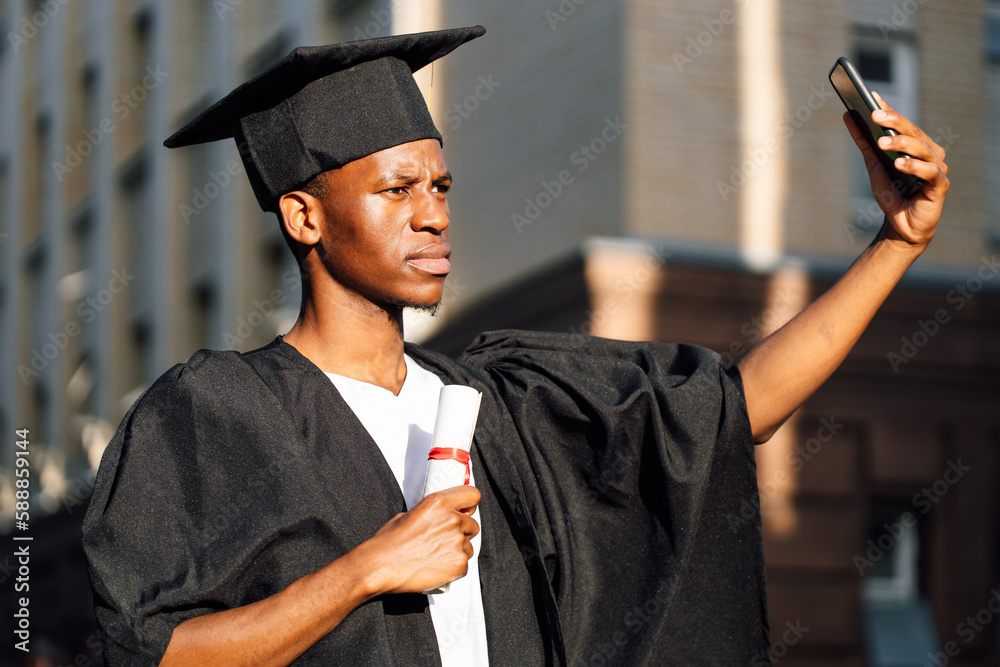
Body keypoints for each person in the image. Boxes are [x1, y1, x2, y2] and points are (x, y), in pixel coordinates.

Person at [81, 25, 949, 667]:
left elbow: (735, 404)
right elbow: (145, 650)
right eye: (397, 188)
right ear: (306, 215)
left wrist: (895, 243)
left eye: (442, 184)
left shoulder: (507, 401)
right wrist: (364, 571)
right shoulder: (211, 415)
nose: (434, 211)